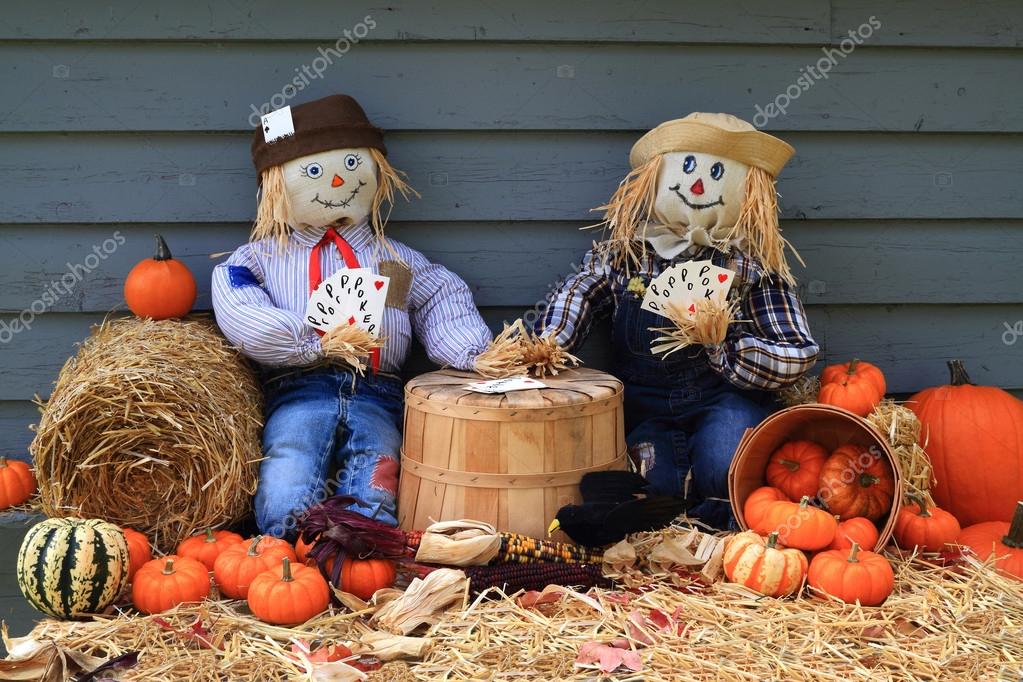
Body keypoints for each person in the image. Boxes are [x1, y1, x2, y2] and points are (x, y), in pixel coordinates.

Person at [212, 94, 514, 538]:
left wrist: (474, 353)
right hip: (299, 390)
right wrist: (310, 341)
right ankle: (287, 549)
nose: (336, 178)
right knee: (288, 469)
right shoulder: (261, 258)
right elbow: (237, 301)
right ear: (277, 184)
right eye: (313, 172)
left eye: (351, 164)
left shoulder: (391, 261)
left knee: (378, 471)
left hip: (379, 395)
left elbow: (438, 298)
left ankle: (363, 550)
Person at [536, 113, 819, 529]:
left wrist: (727, 346)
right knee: (649, 482)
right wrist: (549, 345)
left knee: (725, 465)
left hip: (724, 398)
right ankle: (669, 536)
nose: (698, 186)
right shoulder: (626, 254)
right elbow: (578, 291)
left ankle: (718, 534)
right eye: (686, 167)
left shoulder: (753, 270)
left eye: (716, 174)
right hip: (643, 403)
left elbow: (795, 351)